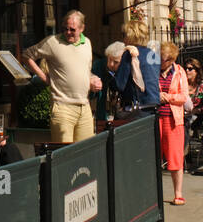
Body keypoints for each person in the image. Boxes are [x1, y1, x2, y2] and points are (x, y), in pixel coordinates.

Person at [23, 10, 103, 143]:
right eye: (65, 29)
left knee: (86, 152)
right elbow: (26, 56)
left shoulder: (87, 43)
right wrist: (44, 78)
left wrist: (92, 79)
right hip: (62, 108)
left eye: (72, 29)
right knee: (64, 155)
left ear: (82, 28)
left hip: (85, 107)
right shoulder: (52, 42)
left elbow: (85, 70)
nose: (68, 32)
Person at [157, 41, 190, 205]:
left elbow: (184, 96)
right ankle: (154, 194)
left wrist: (167, 97)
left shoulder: (179, 72)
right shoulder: (152, 70)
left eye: (168, 59)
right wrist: (157, 95)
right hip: (155, 119)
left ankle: (178, 193)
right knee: (154, 156)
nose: (164, 61)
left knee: (175, 157)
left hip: (173, 120)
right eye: (163, 58)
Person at [113, 18, 160, 114]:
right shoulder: (153, 54)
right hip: (153, 105)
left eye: (124, 35)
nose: (123, 38)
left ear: (130, 36)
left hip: (136, 108)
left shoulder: (130, 54)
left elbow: (119, 84)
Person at [94, 41, 126, 123]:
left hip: (123, 116)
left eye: (116, 62)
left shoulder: (127, 71)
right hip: (103, 116)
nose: (111, 64)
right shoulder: (98, 67)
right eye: (110, 59)